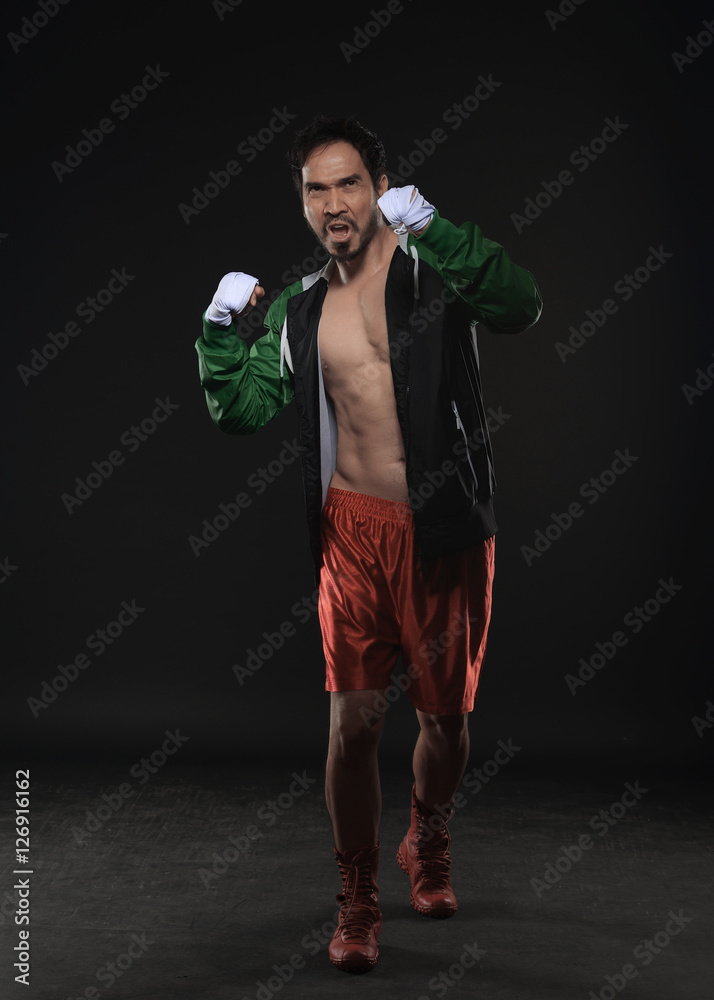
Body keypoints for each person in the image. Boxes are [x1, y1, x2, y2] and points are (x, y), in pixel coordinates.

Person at [195, 114, 542, 974]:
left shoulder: (431, 269)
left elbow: (521, 306)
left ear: (381, 187)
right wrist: (215, 335)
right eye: (316, 189)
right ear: (304, 204)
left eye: (349, 183)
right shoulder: (303, 309)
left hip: (444, 531)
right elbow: (240, 412)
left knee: (444, 725)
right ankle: (357, 896)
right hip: (352, 536)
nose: (333, 203)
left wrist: (440, 227)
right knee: (350, 726)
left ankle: (427, 832)